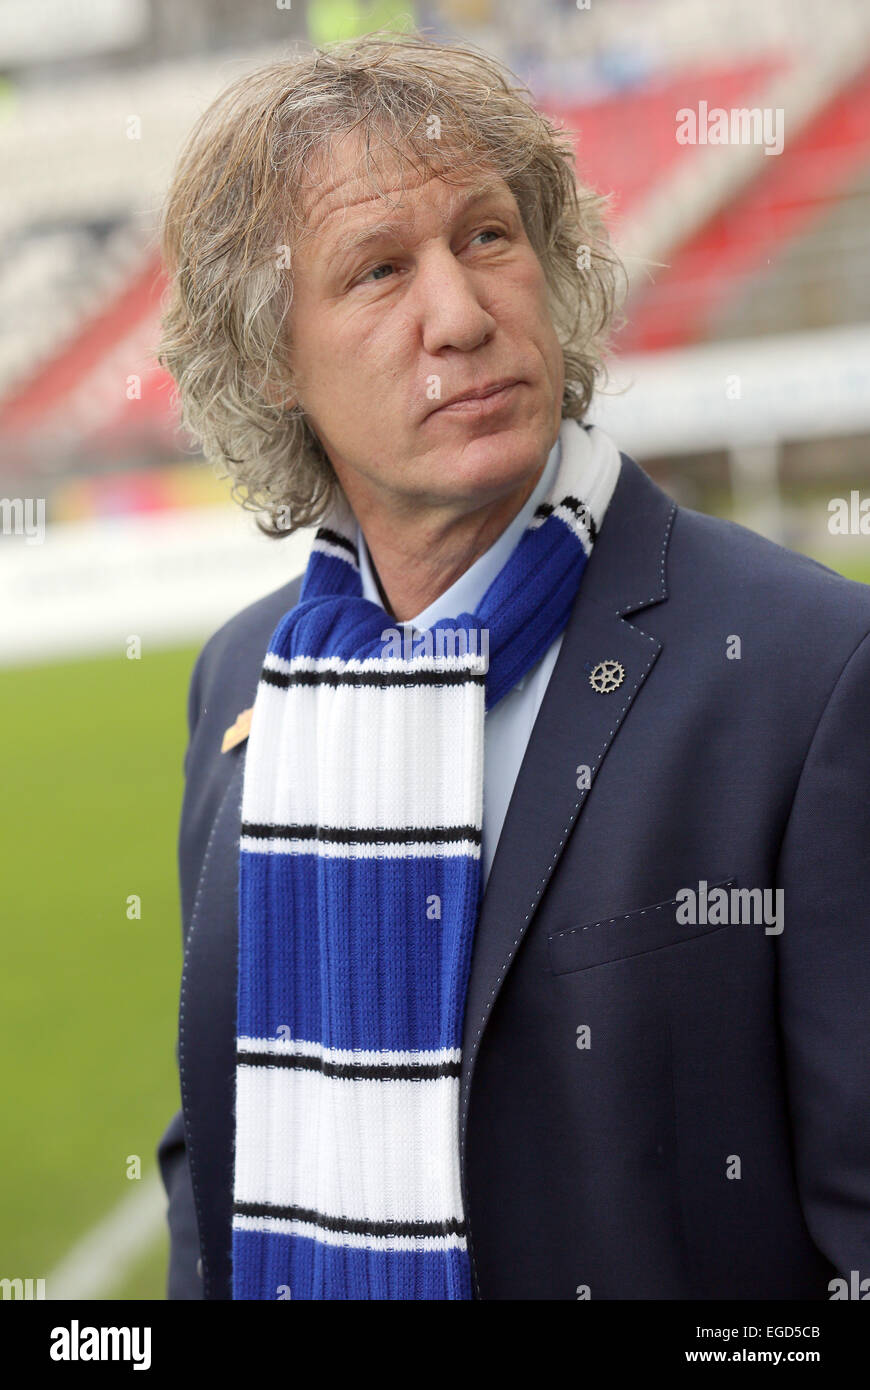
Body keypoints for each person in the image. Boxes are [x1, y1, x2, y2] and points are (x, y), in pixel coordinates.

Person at [155, 31, 870, 1300]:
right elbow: (215, 1144)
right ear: (271, 359)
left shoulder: (809, 674)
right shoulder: (248, 680)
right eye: (379, 270)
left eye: (487, 237)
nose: (462, 314)